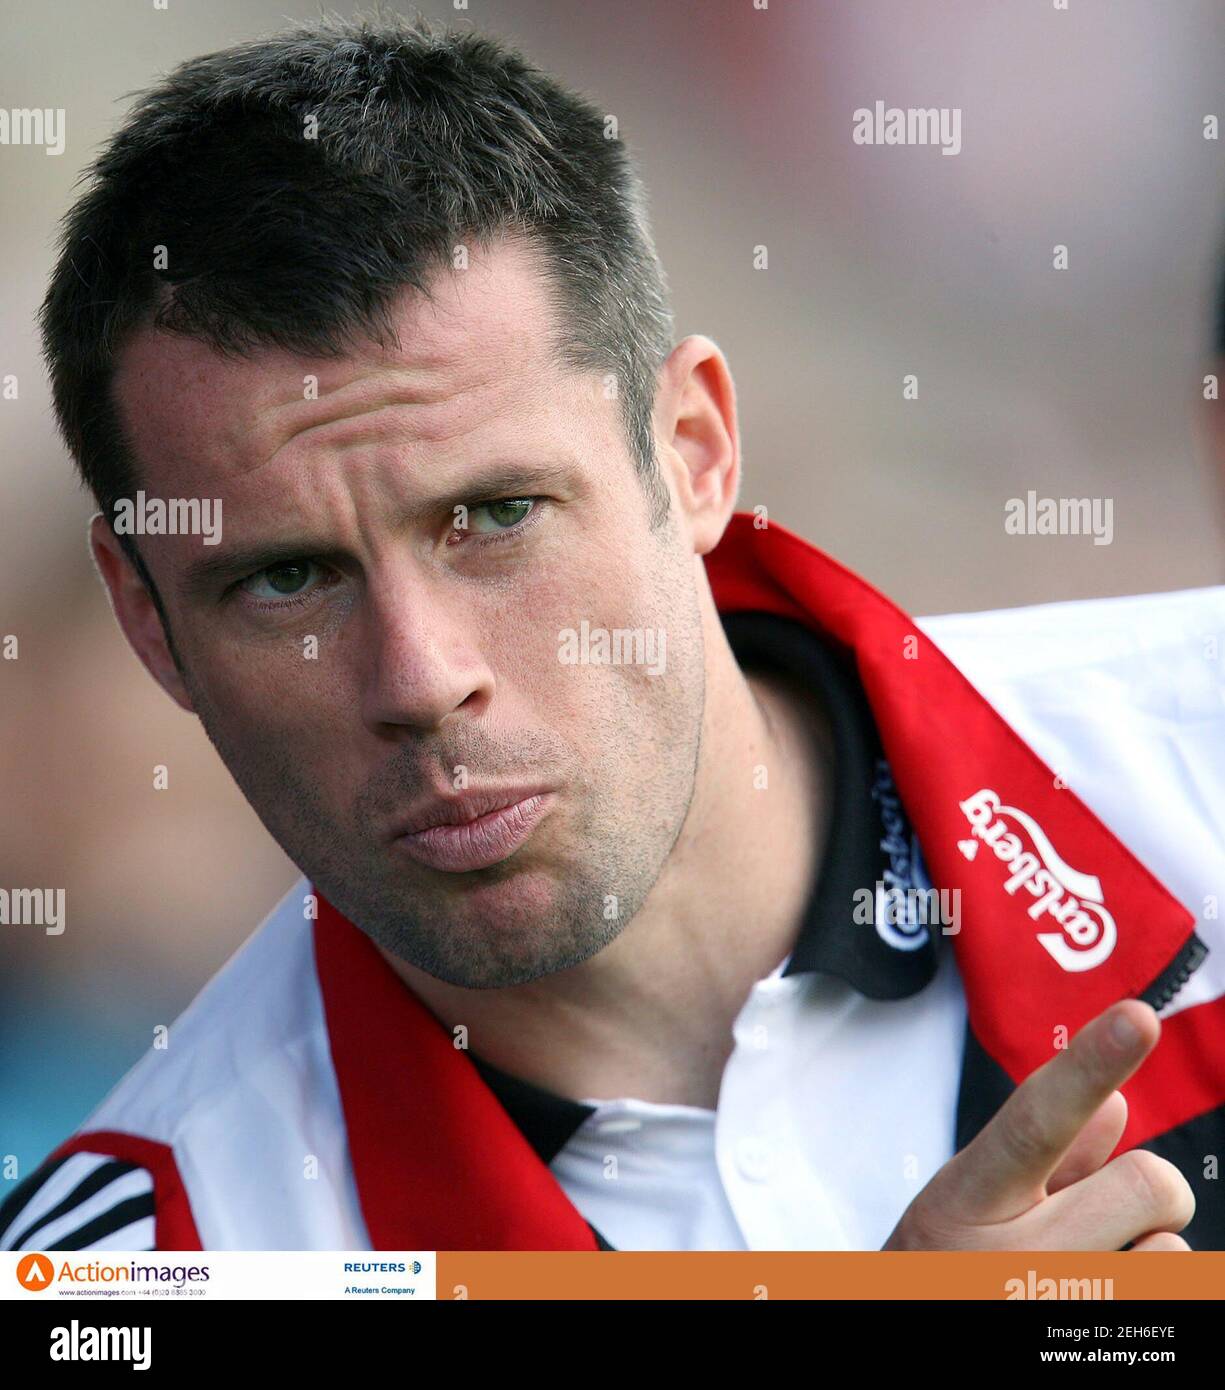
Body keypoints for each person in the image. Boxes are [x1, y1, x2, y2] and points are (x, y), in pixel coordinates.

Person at [2, 12, 1221, 1255]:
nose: (423, 679)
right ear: (146, 621)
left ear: (693, 452)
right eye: (287, 581)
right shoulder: (142, 1268)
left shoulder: (1201, 759)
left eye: (494, 514)